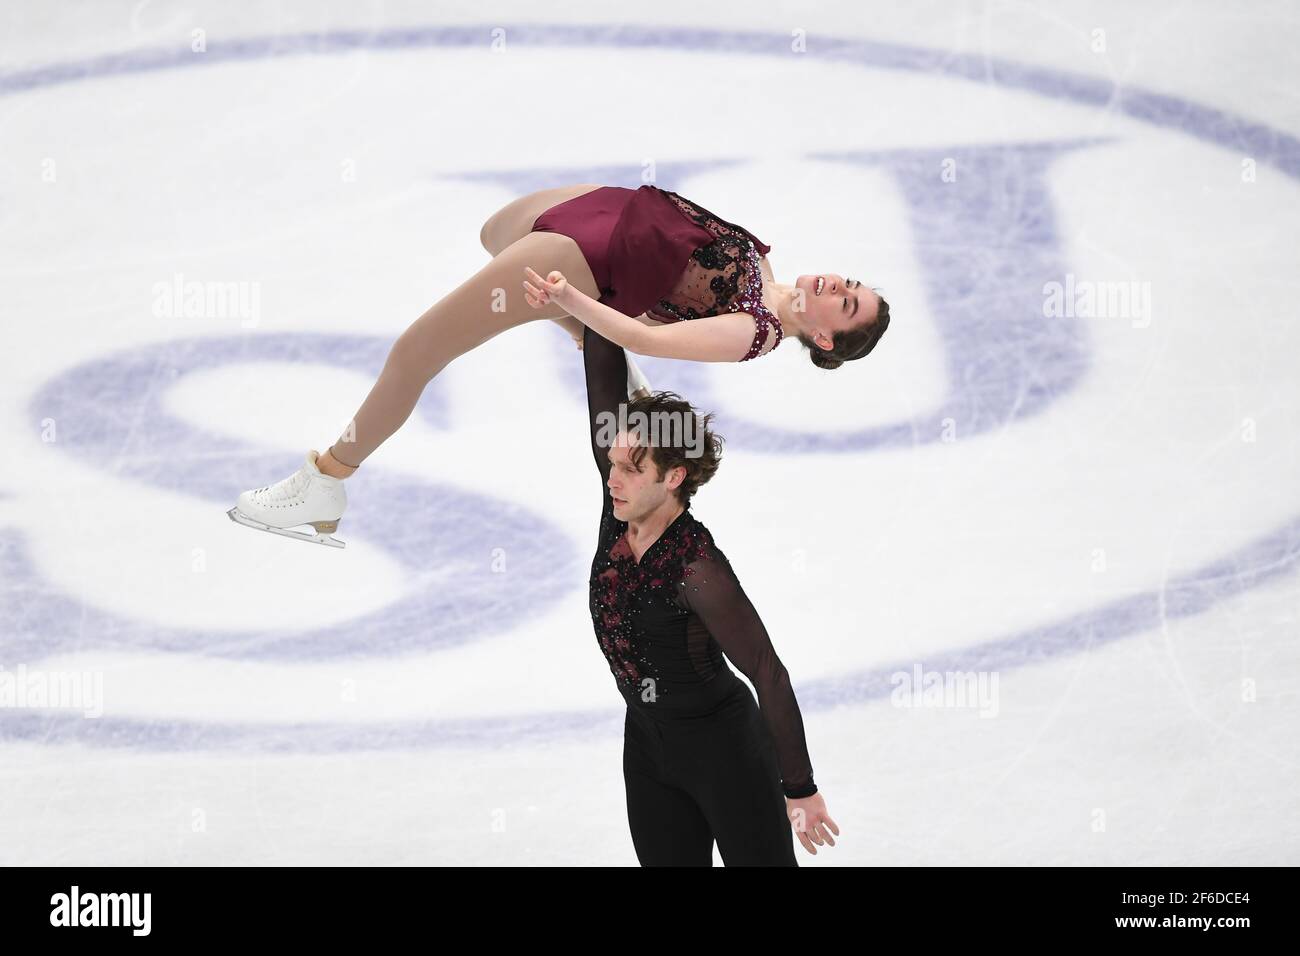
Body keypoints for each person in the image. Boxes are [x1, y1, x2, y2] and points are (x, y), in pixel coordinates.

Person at [226, 183, 889, 546]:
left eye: (846, 304)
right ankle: (584, 335)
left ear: (825, 340)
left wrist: (573, 299)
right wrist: (582, 318)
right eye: (847, 282)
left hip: (584, 262)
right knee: (494, 231)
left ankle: (326, 481)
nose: (836, 287)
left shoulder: (755, 329)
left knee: (417, 350)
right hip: (603, 212)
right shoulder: (767, 271)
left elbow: (649, 336)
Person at [580, 323, 838, 865]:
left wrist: (800, 786)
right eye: (613, 461)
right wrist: (590, 292)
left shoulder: (696, 569)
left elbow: (767, 669)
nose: (613, 477)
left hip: (727, 754)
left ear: (673, 477)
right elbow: (602, 375)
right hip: (648, 747)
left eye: (631, 468)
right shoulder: (620, 514)